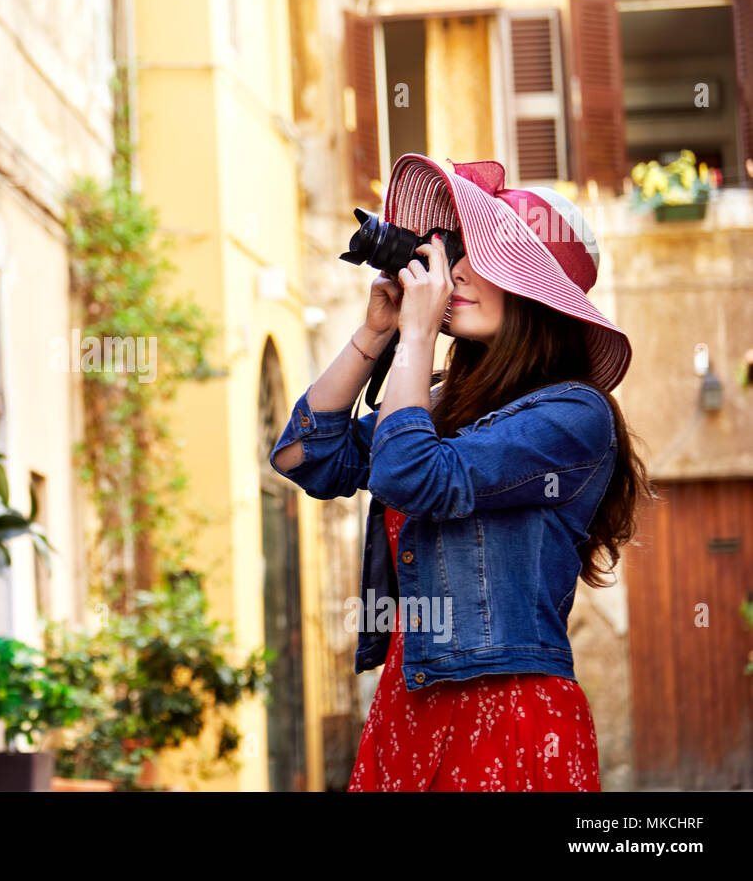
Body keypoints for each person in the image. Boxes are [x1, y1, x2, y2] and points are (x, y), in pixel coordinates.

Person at [270, 154, 650, 791]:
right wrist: (375, 334)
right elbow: (304, 457)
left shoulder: (574, 414)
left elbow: (415, 475)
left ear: (537, 293)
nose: (460, 271)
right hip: (407, 709)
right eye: (458, 250)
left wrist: (416, 342)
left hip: (506, 715)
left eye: (491, 259)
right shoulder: (436, 404)